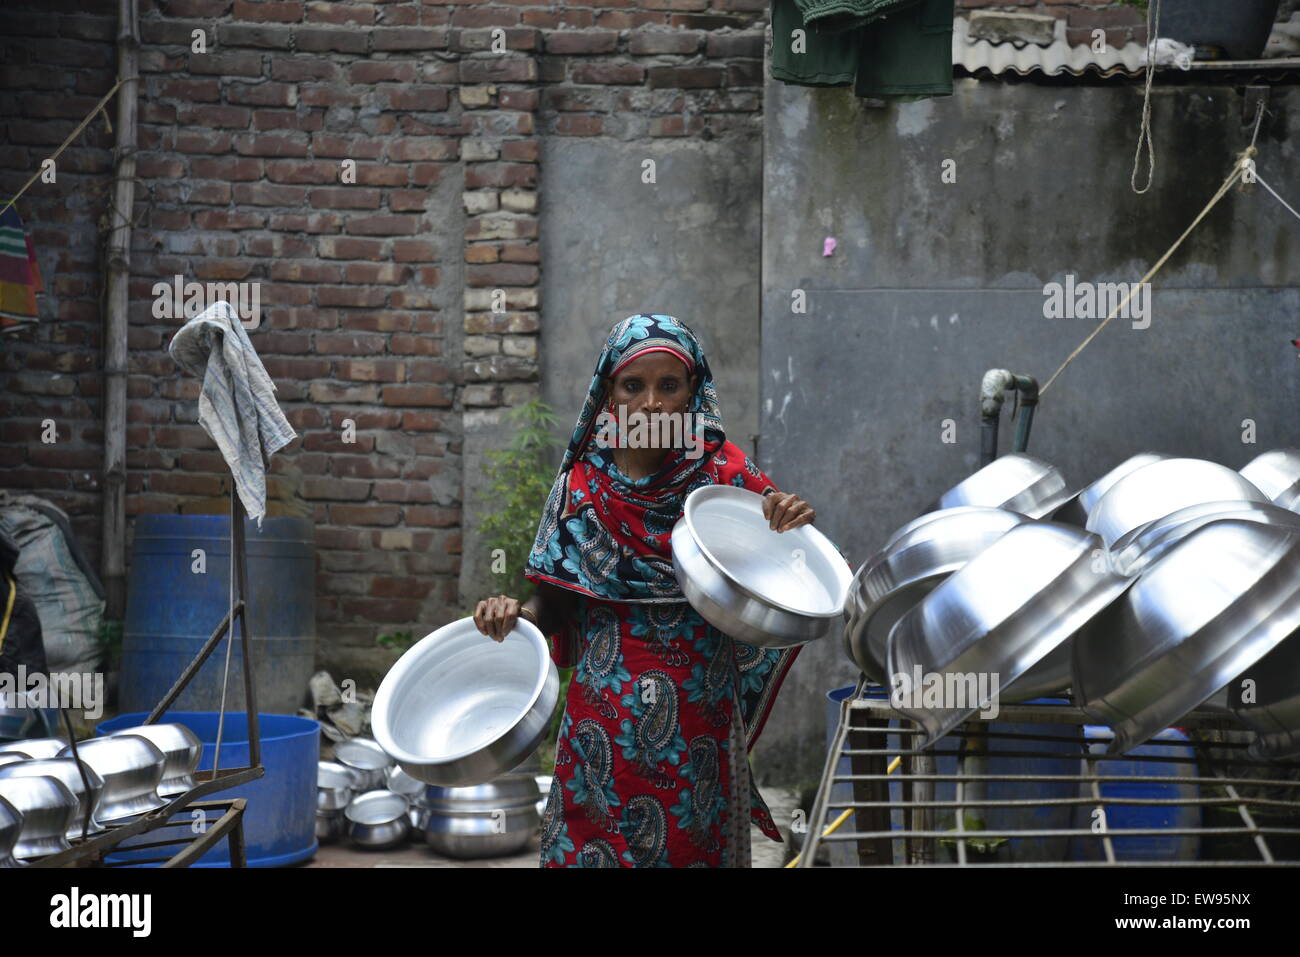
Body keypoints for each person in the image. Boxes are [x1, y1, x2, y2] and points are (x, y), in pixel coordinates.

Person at [474, 313, 817, 867]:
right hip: (599, 725)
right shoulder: (582, 486)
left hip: (696, 723)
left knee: (691, 847)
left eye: (669, 386)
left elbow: (790, 575)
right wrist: (516, 614)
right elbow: (555, 603)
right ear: (609, 393)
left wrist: (786, 527)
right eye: (634, 386)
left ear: (692, 393)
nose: (652, 404)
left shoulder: (725, 479)